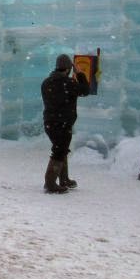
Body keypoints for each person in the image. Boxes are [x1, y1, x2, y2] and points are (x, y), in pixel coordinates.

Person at [41, 53, 90, 193]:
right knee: (60, 150)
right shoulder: (69, 83)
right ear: (68, 69)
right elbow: (85, 91)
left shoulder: (46, 82)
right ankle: (50, 183)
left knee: (61, 149)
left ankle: (64, 179)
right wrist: (80, 74)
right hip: (63, 123)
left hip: (50, 122)